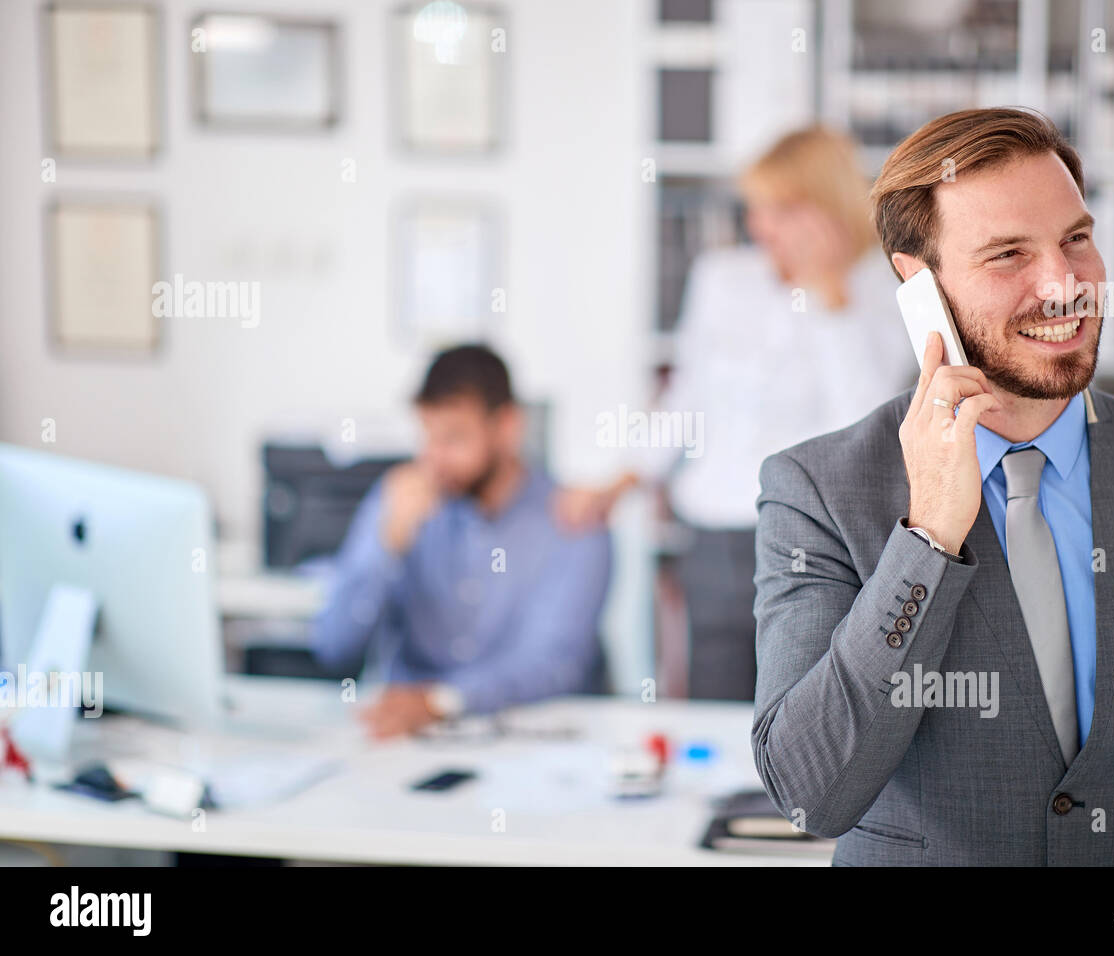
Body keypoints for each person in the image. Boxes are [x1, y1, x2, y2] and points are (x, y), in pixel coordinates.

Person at [751, 107, 1114, 865]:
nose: (1064, 283)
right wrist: (927, 539)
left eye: (1077, 239)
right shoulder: (816, 491)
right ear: (920, 287)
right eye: (1008, 254)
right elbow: (812, 792)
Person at [555, 125, 914, 702]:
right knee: (714, 704)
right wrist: (620, 480)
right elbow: (687, 398)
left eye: (781, 210)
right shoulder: (721, 280)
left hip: (812, 534)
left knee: (804, 709)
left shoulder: (883, 290)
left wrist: (829, 295)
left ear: (826, 206)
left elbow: (867, 427)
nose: (761, 227)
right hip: (713, 530)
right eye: (757, 209)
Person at [311, 345, 612, 739]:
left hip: (524, 741)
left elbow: (552, 665)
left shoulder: (571, 520)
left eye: (453, 438)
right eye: (427, 436)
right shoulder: (399, 502)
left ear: (507, 427)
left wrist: (441, 702)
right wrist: (385, 546)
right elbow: (334, 647)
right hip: (401, 742)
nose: (433, 458)